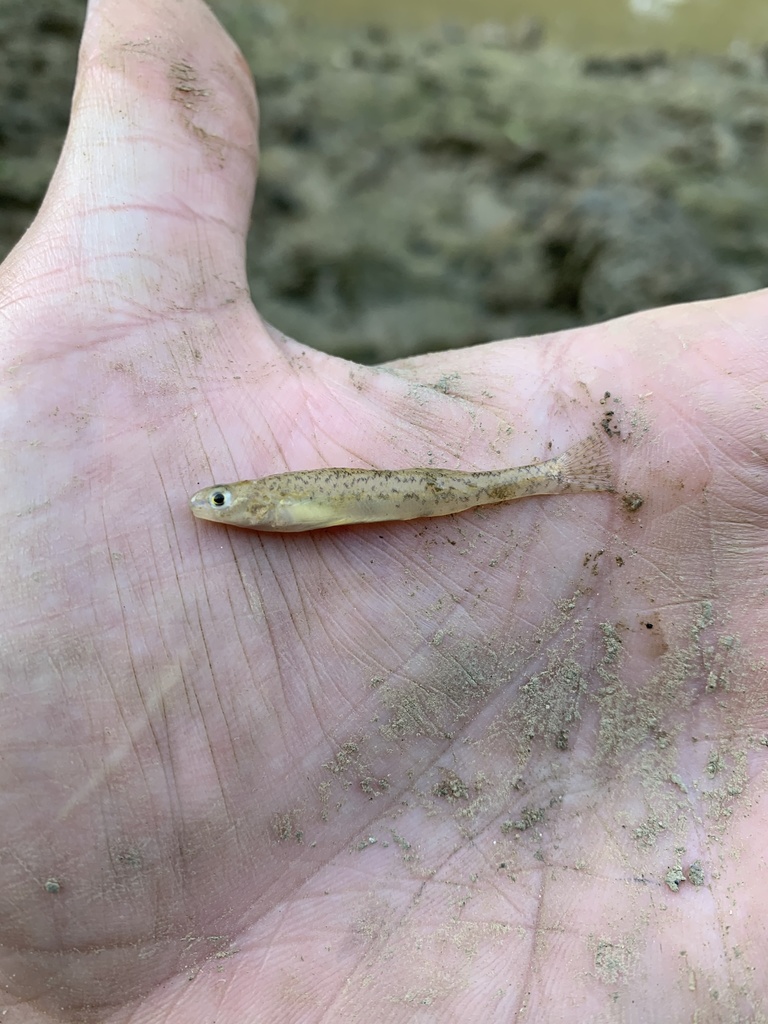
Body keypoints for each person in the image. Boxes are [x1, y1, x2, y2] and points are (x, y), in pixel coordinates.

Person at [1, 0, 766, 1019]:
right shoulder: (264, 513)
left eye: (223, 498)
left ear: (251, 501)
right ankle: (559, 475)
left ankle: (559, 475)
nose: (215, 508)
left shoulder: (275, 506)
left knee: (475, 489)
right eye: (219, 498)